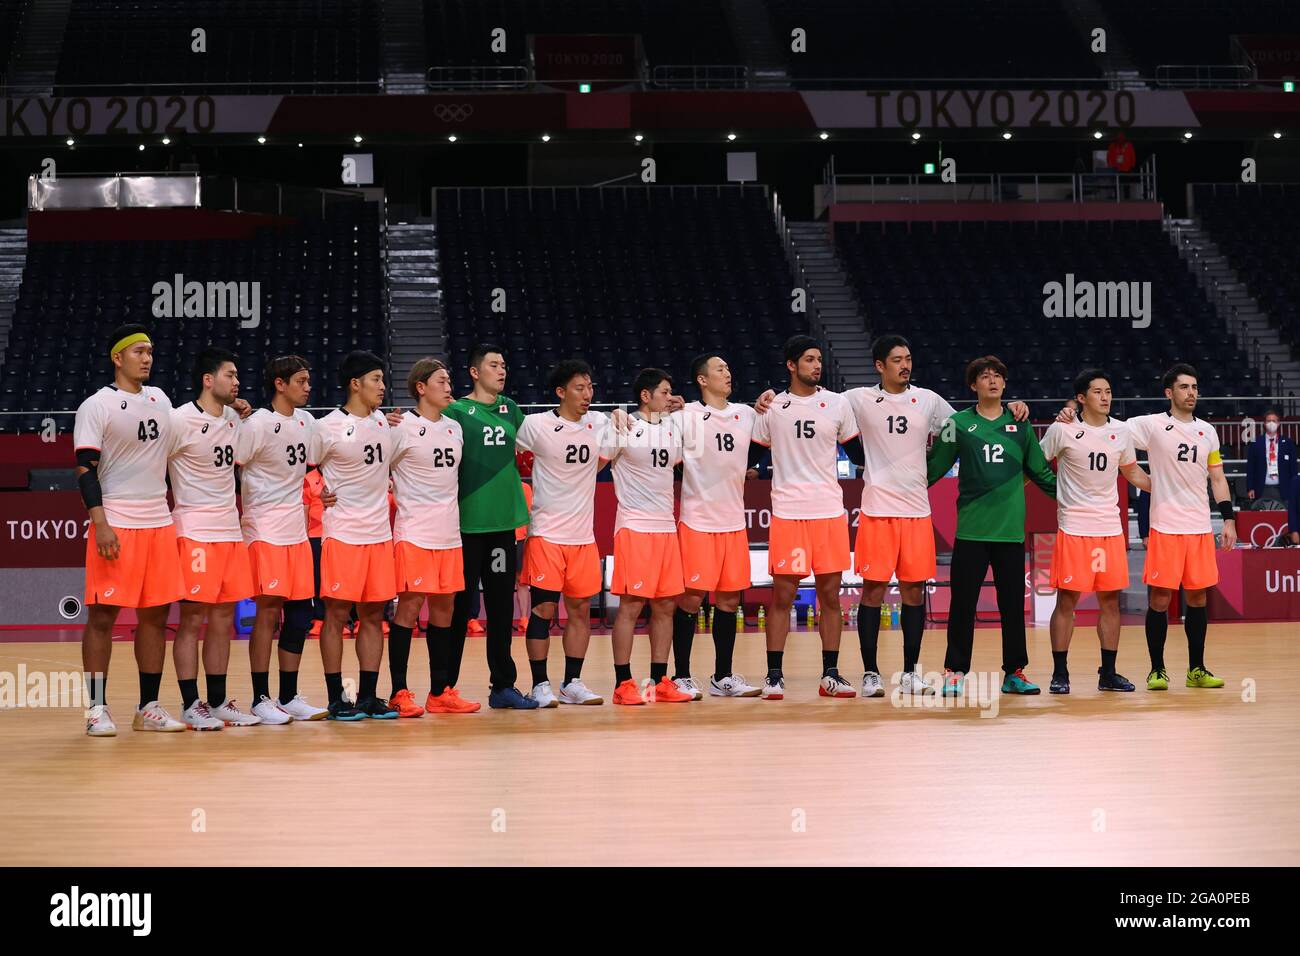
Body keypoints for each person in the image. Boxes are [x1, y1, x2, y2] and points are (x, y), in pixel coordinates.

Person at [75, 324, 186, 735]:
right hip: (116, 523)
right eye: (138, 351)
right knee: (103, 617)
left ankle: (148, 707)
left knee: (155, 618)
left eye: (151, 352)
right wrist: (99, 522)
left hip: (159, 521)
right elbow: (85, 469)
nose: (147, 358)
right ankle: (96, 708)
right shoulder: (97, 405)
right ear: (117, 358)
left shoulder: (161, 400)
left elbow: (184, 442)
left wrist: (231, 410)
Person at [926, 355, 1057, 697]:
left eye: (997, 375)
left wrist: (1073, 497)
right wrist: (898, 488)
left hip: (1010, 531)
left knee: (1013, 606)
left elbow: (1040, 471)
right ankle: (955, 672)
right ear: (973, 385)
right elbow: (934, 468)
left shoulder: (1021, 423)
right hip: (971, 530)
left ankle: (1014, 672)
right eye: (985, 376)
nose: (992, 381)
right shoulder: (957, 423)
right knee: (962, 605)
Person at [750, 336, 864, 701]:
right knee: (783, 596)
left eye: (819, 360)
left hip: (829, 512)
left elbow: (860, 453)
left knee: (831, 597)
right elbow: (749, 454)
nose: (817, 365)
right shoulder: (772, 407)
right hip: (788, 513)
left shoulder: (837, 403)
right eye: (809, 360)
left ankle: (830, 673)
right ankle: (773, 675)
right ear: (791, 364)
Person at [1039, 369, 1152, 694]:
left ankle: (1109, 672)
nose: (1106, 397)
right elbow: (1036, 463)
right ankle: (1060, 673)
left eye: (1108, 391)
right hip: (1074, 528)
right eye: (1098, 392)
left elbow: (1132, 472)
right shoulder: (1063, 429)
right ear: (1080, 398)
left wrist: (1164, 487)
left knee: (1110, 603)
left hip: (1109, 530)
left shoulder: (1121, 431)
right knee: (1067, 601)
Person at [1126, 365, 1236, 690]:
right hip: (1165, 526)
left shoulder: (1209, 431)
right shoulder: (1153, 425)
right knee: (1160, 599)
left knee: (1198, 598)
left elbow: (1217, 478)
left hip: (1200, 527)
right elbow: (1111, 434)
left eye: (1195, 387)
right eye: (1185, 387)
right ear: (1169, 393)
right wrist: (1142, 480)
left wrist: (1228, 517)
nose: (1191, 393)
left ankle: (1196, 669)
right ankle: (1157, 670)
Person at [169, 347, 261, 729]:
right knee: (192, 618)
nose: (237, 382)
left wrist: (241, 413)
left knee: (224, 617)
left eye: (238, 375)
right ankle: (192, 704)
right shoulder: (178, 420)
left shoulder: (234, 421)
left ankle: (219, 700)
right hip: (195, 533)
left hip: (229, 531)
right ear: (208, 380)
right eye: (230, 375)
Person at [441, 345, 535, 709]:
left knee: (500, 608)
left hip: (502, 526)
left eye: (504, 364)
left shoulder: (511, 409)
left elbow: (541, 438)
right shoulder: (455, 411)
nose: (502, 370)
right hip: (465, 526)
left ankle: (503, 687)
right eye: (494, 365)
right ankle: (445, 686)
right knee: (462, 608)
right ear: (475, 372)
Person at [237, 355, 330, 723]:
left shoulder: (307, 422)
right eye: (301, 380)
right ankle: (261, 698)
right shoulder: (258, 423)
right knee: (268, 611)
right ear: (280, 383)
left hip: (297, 530)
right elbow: (232, 463)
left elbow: (328, 453)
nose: (308, 387)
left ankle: (289, 696)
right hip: (264, 528)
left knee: (300, 615)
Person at [669, 354, 766, 699]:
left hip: (733, 523)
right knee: (691, 599)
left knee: (728, 601)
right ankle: (680, 676)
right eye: (720, 369)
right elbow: (672, 459)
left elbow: (760, 446)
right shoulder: (687, 416)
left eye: (728, 367)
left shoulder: (746, 415)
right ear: (702, 380)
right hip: (698, 521)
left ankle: (722, 677)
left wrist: (767, 403)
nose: (728, 373)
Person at [310, 351, 400, 719]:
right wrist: (318, 491)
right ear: (355, 384)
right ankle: (336, 697)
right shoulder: (327, 426)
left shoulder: (386, 424)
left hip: (379, 534)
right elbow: (302, 464)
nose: (382, 386)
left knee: (374, 615)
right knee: (336, 614)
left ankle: (368, 695)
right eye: (376, 379)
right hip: (343, 533)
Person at [387, 357, 479, 716]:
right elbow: (376, 466)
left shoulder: (454, 428)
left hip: (448, 535)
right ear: (421, 388)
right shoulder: (401, 427)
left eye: (449, 380)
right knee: (408, 609)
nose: (449, 386)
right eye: (441, 381)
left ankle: (439, 692)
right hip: (414, 533)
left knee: (445, 610)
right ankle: (399, 691)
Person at [515, 359, 610, 706]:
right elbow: (504, 453)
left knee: (581, 610)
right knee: (542, 611)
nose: (588, 395)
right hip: (547, 535)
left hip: (583, 537)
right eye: (579, 388)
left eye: (590, 388)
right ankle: (540, 684)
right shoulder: (536, 425)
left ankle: (572, 682)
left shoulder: (599, 422)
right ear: (560, 392)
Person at [602, 368, 691, 705]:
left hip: (666, 527)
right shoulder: (623, 426)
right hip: (635, 527)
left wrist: (681, 415)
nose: (670, 398)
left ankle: (659, 680)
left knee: (666, 606)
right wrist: (611, 416)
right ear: (645, 395)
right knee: (631, 606)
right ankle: (623, 683)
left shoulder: (672, 430)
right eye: (665, 392)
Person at [1246, 408, 1295, 505]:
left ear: (1278, 423)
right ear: (1264, 423)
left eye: (1274, 421)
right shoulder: (1256, 442)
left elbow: (1293, 468)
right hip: (1262, 488)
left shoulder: (1287, 443)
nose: (1271, 423)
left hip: (1283, 489)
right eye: (1269, 421)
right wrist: (1250, 488)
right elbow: (1250, 467)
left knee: (1283, 517)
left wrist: (1294, 488)